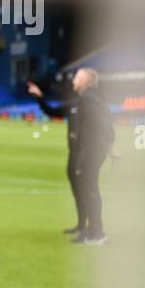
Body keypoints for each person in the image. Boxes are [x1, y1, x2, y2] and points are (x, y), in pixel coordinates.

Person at [28, 69, 113, 244]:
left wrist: (109, 146)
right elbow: (52, 111)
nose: (73, 80)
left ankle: (96, 232)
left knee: (89, 191)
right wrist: (39, 96)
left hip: (88, 151)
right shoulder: (79, 101)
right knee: (83, 190)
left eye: (77, 77)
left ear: (86, 82)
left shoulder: (91, 100)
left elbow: (104, 124)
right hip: (78, 152)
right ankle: (85, 227)